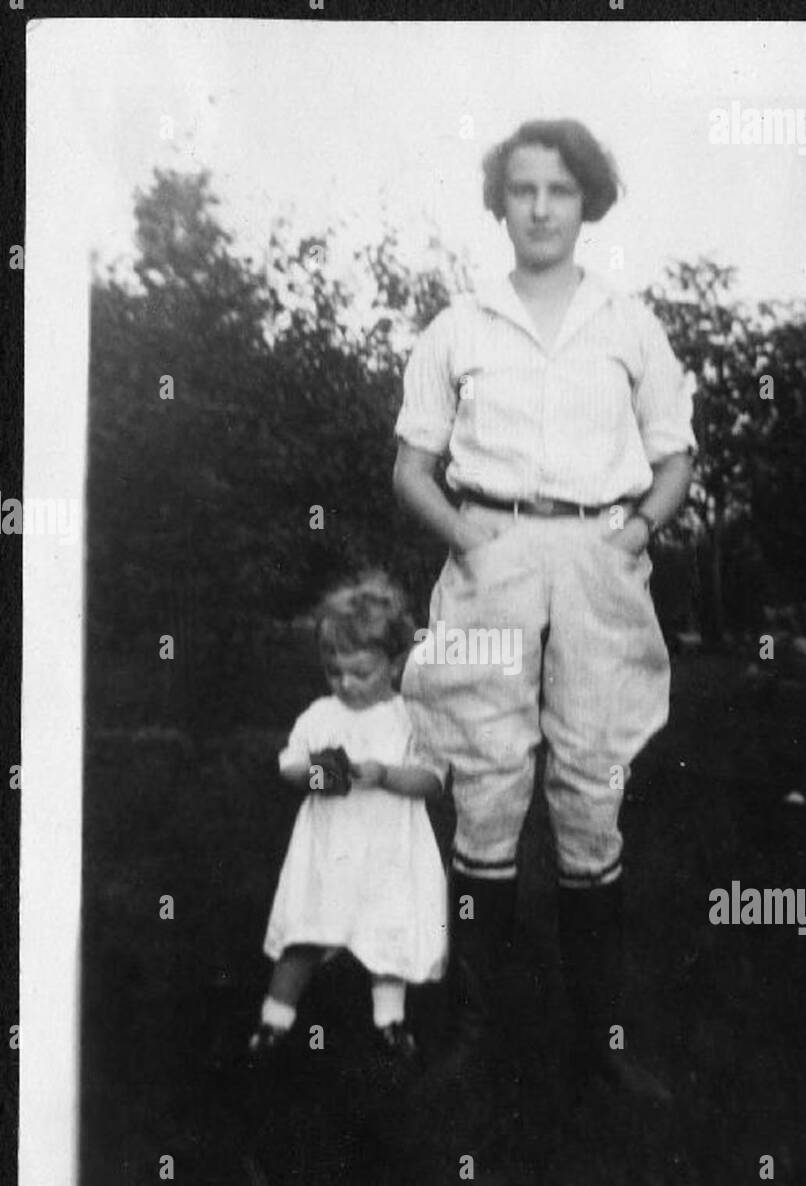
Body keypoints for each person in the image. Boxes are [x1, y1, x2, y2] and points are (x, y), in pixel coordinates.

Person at [392, 119, 697, 1111]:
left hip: (597, 558)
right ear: (500, 203)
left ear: (587, 201)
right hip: (493, 553)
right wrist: (477, 539)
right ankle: (473, 1034)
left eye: (559, 190)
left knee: (590, 778)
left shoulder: (627, 323)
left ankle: (600, 1045)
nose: (539, 207)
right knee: (484, 779)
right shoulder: (461, 325)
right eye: (521, 189)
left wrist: (635, 531)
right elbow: (412, 468)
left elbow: (674, 454)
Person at [247, 571, 447, 1064]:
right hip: (328, 850)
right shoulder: (322, 714)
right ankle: (273, 1022)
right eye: (334, 672)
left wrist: (383, 775)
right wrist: (317, 776)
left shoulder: (410, 718)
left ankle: (390, 1021)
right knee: (307, 930)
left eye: (360, 673)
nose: (345, 684)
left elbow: (434, 780)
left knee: (388, 933)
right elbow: (290, 763)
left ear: (395, 662)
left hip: (389, 850)